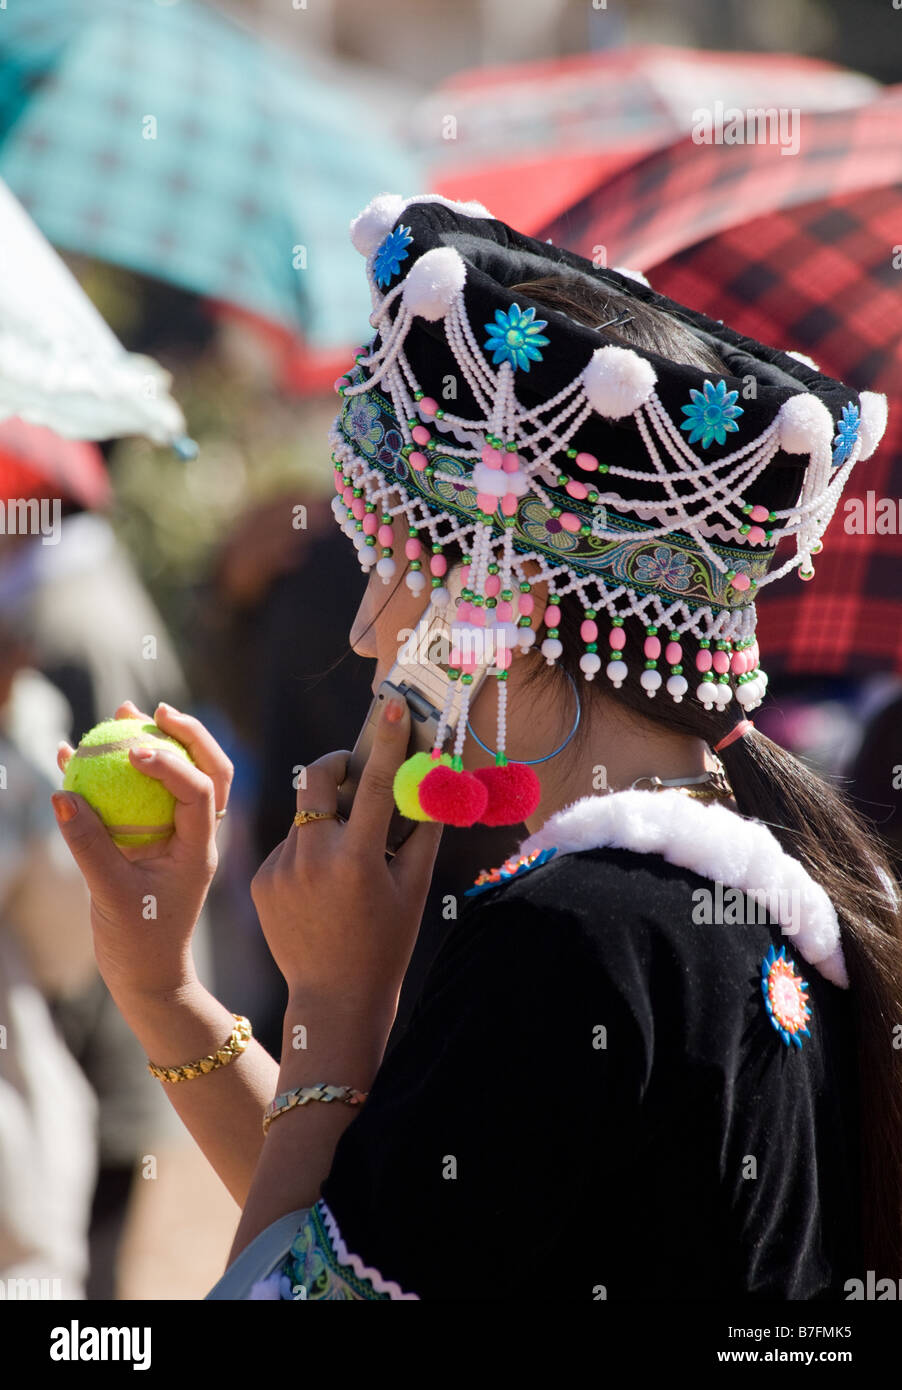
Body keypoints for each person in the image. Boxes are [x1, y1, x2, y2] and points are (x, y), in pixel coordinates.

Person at [51, 193, 900, 1301]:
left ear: (488, 593)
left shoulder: (574, 940)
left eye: (390, 562)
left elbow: (298, 1290)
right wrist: (168, 995)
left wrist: (332, 1009)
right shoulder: (753, 908)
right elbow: (378, 1230)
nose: (365, 632)